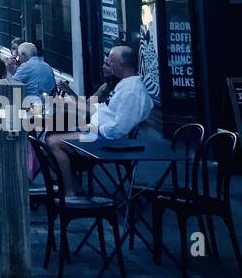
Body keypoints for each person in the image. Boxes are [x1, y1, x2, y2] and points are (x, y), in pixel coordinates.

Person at [43, 45, 159, 192]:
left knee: (53, 142)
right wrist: (72, 104)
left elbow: (117, 130)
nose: (108, 64)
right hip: (98, 133)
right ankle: (73, 186)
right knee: (54, 134)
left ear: (121, 66)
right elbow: (104, 110)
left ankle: (70, 192)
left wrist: (91, 128)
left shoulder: (131, 92)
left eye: (111, 61)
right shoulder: (125, 85)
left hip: (107, 142)